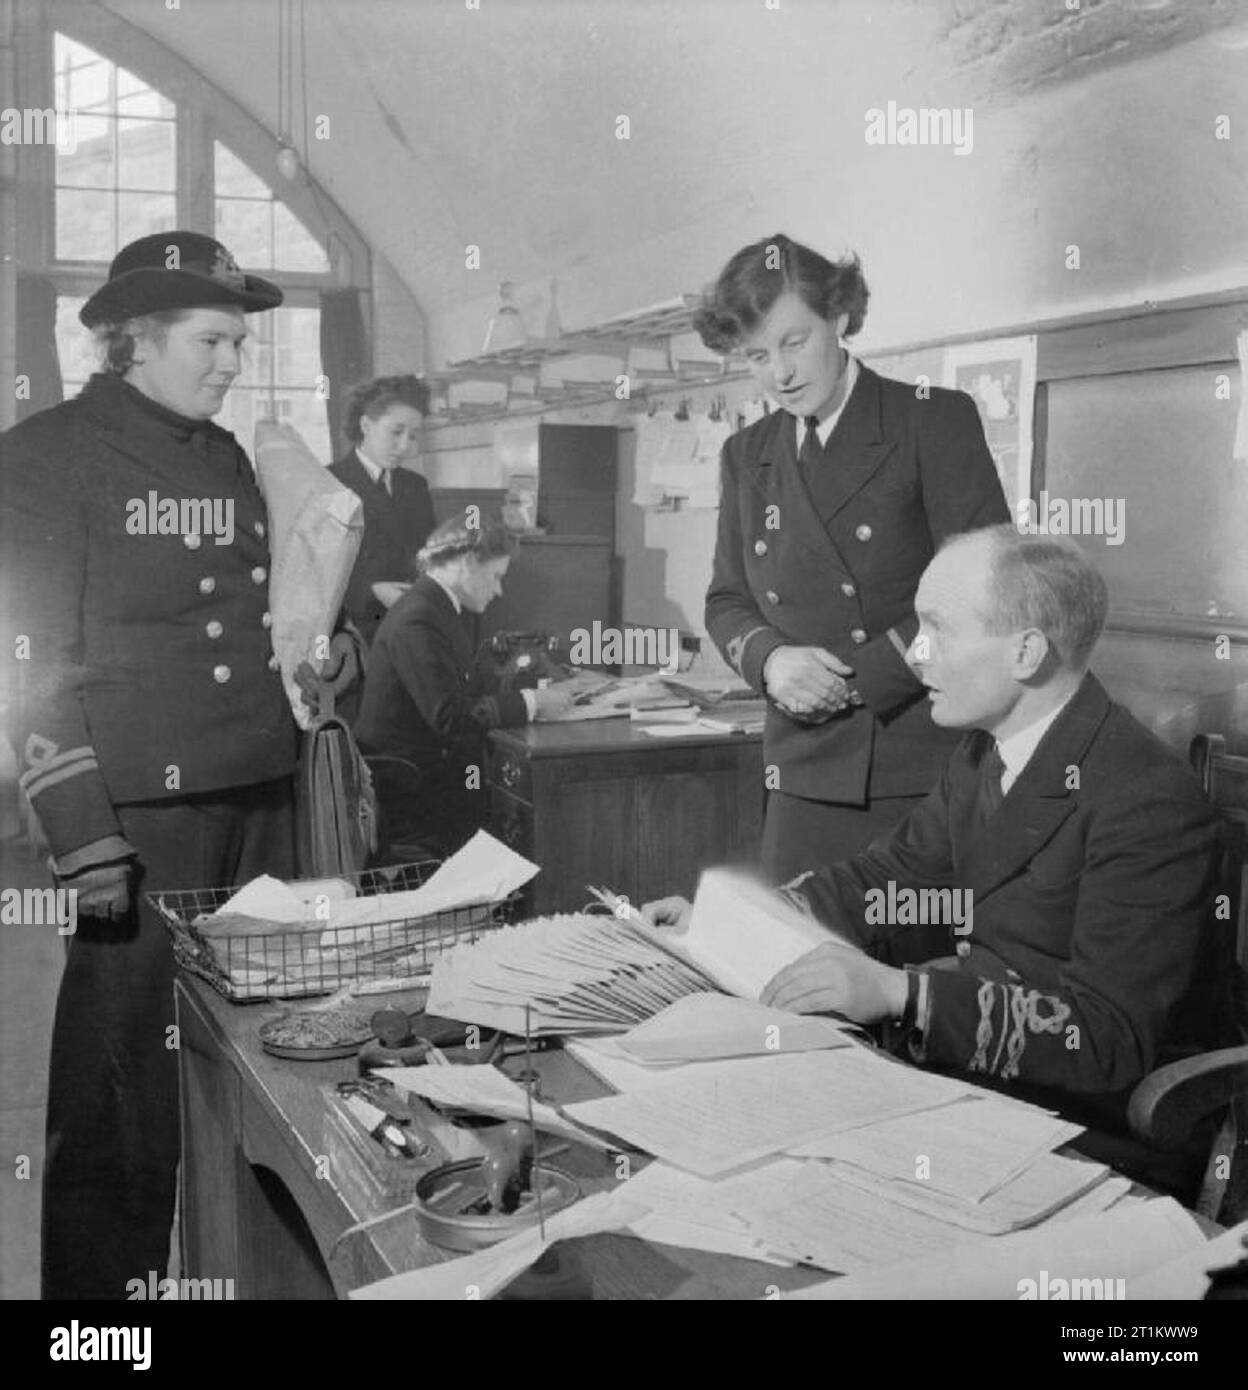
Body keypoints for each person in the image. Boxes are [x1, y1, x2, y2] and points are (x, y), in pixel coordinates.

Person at [647, 526, 1229, 1129]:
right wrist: (726, 925)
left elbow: (1107, 1043)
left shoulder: (1146, 798)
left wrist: (902, 995)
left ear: (1026, 653)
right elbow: (885, 882)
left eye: (938, 630)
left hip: (1094, 1123)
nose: (916, 653)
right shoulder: (988, 751)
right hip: (991, 1082)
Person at [0, 232, 298, 1299]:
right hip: (138, 825)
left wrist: (324, 645)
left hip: (262, 799)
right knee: (124, 1087)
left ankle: (243, 1274)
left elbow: (246, 618)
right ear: (137, 338)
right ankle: (96, 1323)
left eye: (238, 342)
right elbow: (28, 659)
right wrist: (84, 834)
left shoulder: (222, 454)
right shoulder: (44, 456)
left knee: (266, 1067)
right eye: (214, 340)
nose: (232, 362)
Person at [694, 234, 1009, 893]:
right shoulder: (745, 454)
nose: (779, 373)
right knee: (791, 970)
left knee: (898, 981)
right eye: (756, 356)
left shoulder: (931, 422)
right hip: (798, 772)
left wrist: (852, 682)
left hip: (911, 768)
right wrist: (772, 662)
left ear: (839, 319)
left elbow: (985, 592)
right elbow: (727, 600)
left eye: (793, 341)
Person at [353, 513, 573, 858]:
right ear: (469, 563)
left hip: (421, 779)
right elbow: (450, 717)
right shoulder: (420, 617)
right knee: (524, 828)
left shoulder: (435, 606)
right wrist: (533, 701)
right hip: (410, 796)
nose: (499, 590)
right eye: (496, 577)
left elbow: (461, 692)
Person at [329, 374, 436, 645]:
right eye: (396, 432)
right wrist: (372, 590)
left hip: (411, 624)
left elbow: (428, 551)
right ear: (366, 424)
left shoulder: (416, 486)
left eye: (413, 436)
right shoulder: (330, 484)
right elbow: (318, 569)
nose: (405, 446)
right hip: (354, 631)